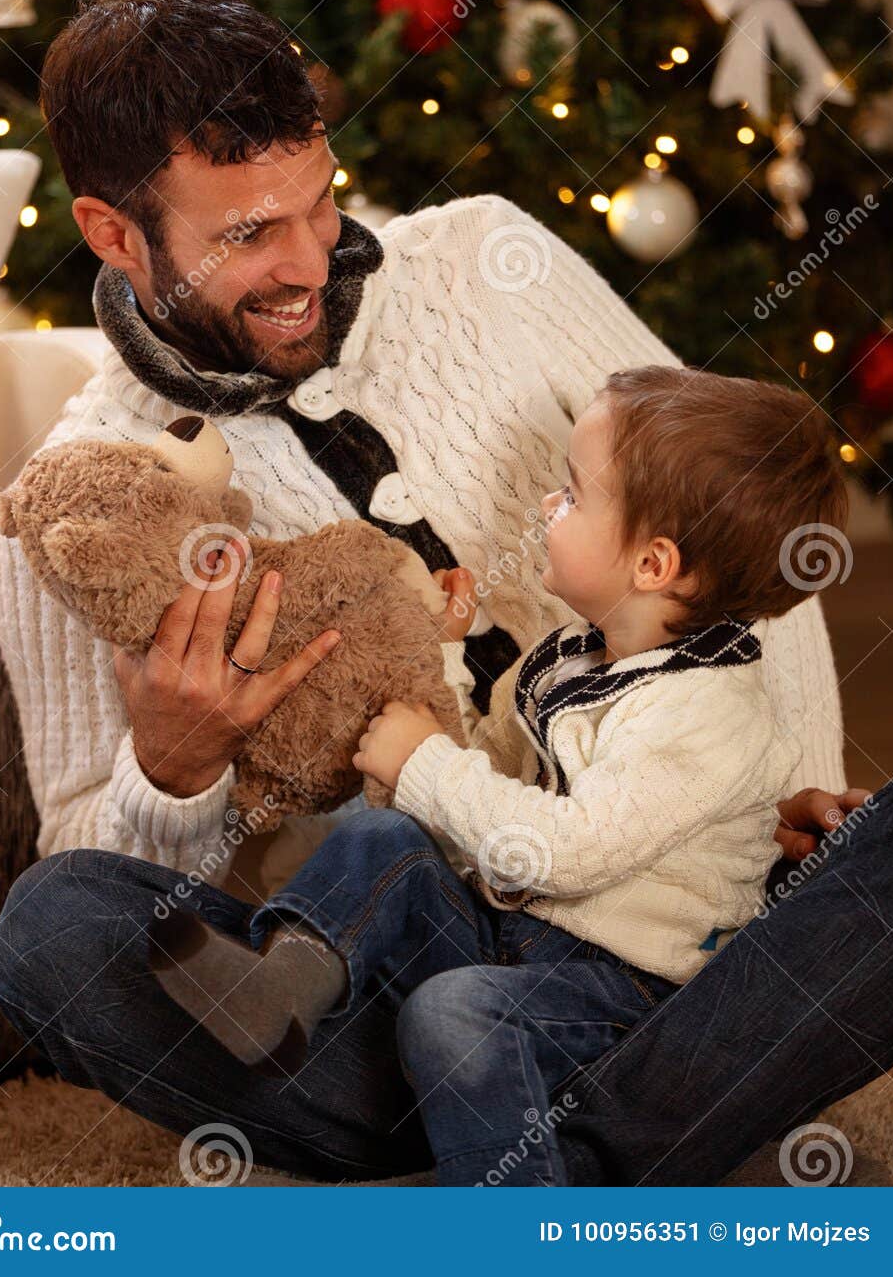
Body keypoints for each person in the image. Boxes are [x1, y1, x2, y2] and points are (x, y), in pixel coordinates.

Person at [0, 0, 879, 1185]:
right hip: (384, 973)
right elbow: (93, 844)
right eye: (247, 234)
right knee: (52, 931)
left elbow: (734, 533)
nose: (310, 258)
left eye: (320, 201)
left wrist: (788, 805)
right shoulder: (78, 509)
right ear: (111, 232)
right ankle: (603, 1135)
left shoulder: (485, 255)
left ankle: (526, 1148)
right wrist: (171, 771)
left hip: (664, 928)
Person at [145, 366, 848, 1185]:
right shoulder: (562, 662)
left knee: (455, 1015)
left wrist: (421, 762)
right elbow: (474, 786)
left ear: (653, 564)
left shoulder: (706, 715)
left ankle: (510, 1213)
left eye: (573, 497)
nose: (549, 508)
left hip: (628, 994)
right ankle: (279, 989)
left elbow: (571, 852)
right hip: (509, 933)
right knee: (385, 836)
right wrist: (441, 663)